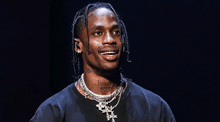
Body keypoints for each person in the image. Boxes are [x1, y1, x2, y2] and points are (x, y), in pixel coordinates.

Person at [30, 2, 176, 122]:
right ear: (78, 46)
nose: (110, 39)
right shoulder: (54, 111)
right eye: (98, 33)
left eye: (115, 32)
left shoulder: (155, 107)